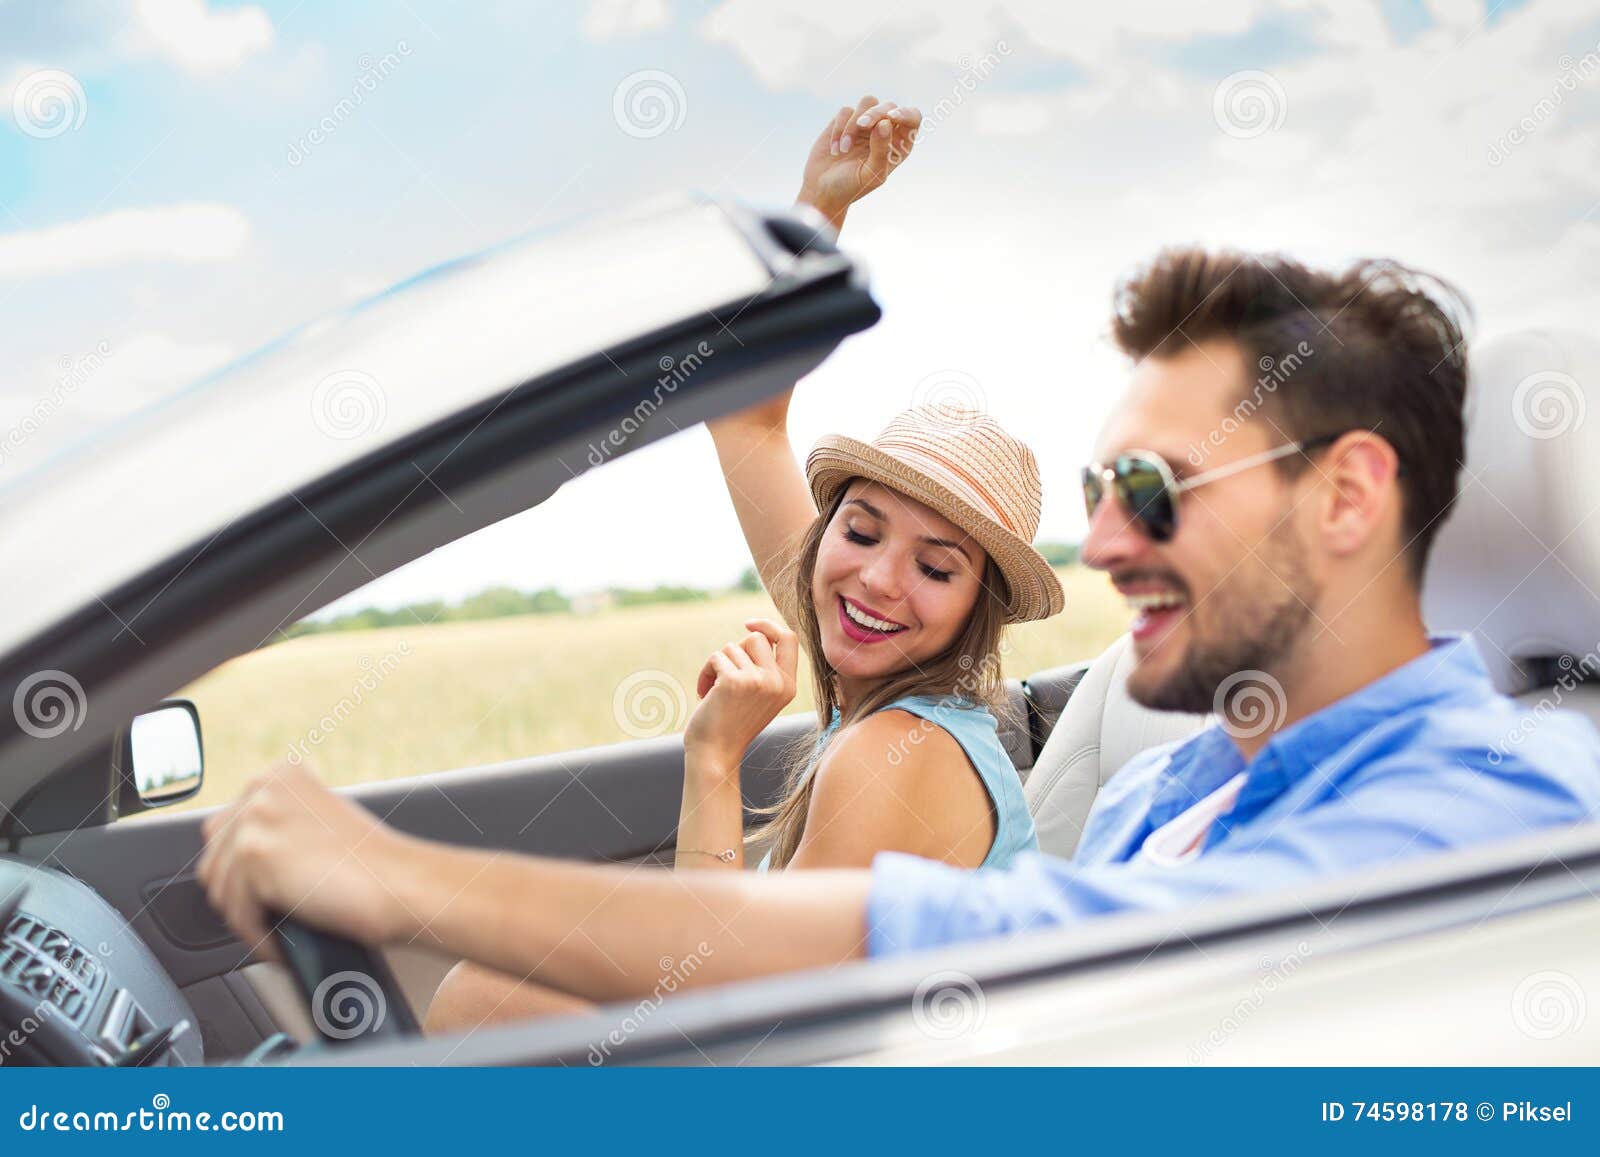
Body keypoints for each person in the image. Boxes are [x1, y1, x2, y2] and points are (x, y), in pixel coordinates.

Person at [197, 207, 1600, 1018]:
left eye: (1157, 490)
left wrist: (402, 878)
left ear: (1349, 499)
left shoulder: (1505, 806)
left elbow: (971, 955)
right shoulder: (1179, 776)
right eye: (1108, 488)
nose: (1106, 543)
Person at [369, 95, 1064, 1031]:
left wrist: (711, 758)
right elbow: (745, 416)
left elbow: (742, 1007)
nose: (878, 580)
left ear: (978, 605)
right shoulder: (873, 652)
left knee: (486, 1000)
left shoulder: (893, 752)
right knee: (497, 989)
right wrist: (821, 207)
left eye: (937, 568)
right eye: (861, 531)